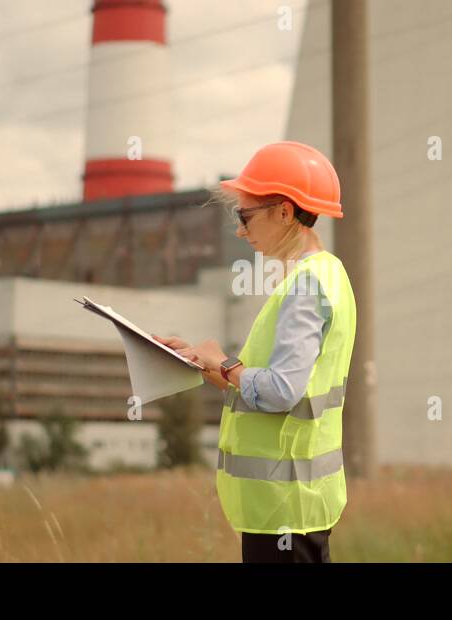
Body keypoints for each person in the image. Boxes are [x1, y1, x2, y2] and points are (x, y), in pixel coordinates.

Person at [153, 141, 357, 563]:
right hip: (294, 502)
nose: (241, 231)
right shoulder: (327, 274)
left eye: (245, 216)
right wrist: (202, 361)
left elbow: (282, 391)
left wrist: (225, 363)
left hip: (284, 506)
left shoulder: (304, 287)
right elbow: (273, 385)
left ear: (284, 211)